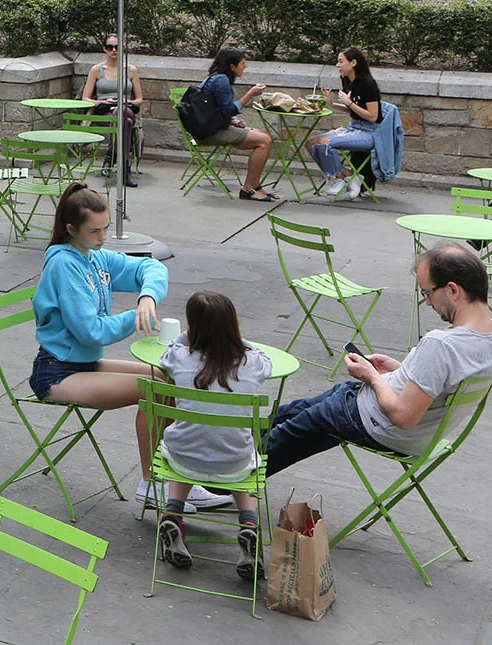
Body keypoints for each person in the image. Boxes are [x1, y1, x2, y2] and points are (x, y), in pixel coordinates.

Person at [30, 185, 228, 510]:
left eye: (106, 227)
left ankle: (180, 480)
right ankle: (150, 483)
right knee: (152, 390)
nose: (103, 236)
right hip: (56, 371)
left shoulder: (92, 256)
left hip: (82, 363)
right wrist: (134, 317)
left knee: (171, 378)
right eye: (94, 230)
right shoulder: (64, 266)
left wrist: (147, 296)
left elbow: (151, 267)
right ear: (71, 229)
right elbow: (89, 332)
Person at [267, 243, 492, 476]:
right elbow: (443, 383)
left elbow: (404, 417)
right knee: (292, 413)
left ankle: (234, 475)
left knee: (292, 429)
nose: (428, 303)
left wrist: (372, 377)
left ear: (453, 290)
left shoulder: (442, 345)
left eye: (428, 293)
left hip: (381, 425)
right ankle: (239, 449)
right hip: (419, 436)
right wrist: (401, 370)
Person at [152, 292, 274, 578]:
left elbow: (166, 353)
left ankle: (172, 513)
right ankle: (249, 524)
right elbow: (266, 359)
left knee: (179, 445)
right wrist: (238, 341)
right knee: (246, 458)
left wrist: (186, 336)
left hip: (183, 457)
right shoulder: (250, 363)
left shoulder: (179, 357)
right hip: (233, 461)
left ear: (192, 327)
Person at [198, 46, 278, 202]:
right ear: (232, 66)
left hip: (212, 126)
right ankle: (249, 188)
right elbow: (228, 110)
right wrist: (250, 94)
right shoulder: (221, 81)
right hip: (211, 132)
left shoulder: (214, 77)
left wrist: (233, 121)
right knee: (265, 141)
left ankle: (255, 186)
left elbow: (217, 110)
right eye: (242, 63)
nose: (245, 66)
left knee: (264, 136)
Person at [306, 46, 381, 199]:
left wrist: (349, 103)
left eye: (340, 61)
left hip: (370, 132)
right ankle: (346, 175)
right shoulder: (348, 81)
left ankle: (337, 178)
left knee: (326, 142)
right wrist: (331, 103)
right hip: (354, 127)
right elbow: (352, 110)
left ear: (353, 63)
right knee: (311, 143)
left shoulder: (368, 85)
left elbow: (373, 116)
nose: (337, 65)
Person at [81, 36, 145, 187]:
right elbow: (85, 98)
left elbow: (140, 99)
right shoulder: (96, 70)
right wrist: (102, 102)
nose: (114, 50)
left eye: (117, 47)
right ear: (104, 49)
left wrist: (126, 101)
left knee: (122, 114)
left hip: (126, 108)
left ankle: (111, 158)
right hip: (105, 112)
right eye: (110, 47)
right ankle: (125, 170)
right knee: (126, 122)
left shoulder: (131, 70)